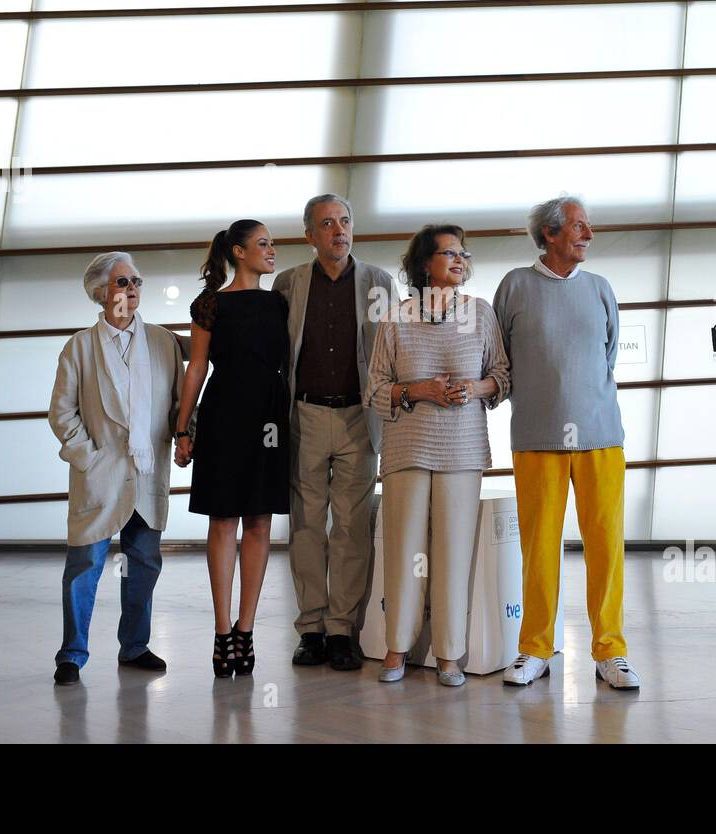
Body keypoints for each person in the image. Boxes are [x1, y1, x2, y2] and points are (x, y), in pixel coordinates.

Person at [493, 196, 640, 690]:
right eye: (579, 227)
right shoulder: (514, 286)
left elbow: (608, 358)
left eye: (587, 226)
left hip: (601, 438)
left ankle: (611, 652)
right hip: (536, 439)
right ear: (551, 234)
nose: (588, 235)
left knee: (606, 547)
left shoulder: (600, 289)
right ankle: (534, 649)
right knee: (539, 550)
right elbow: (501, 360)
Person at [366, 224, 510, 686]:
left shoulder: (482, 314)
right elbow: (375, 390)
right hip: (407, 447)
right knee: (405, 550)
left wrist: (474, 387)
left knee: (453, 551)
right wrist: (419, 390)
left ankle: (450, 654)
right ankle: (396, 649)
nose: (458, 260)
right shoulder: (395, 317)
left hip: (463, 448)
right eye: (448, 253)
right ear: (424, 263)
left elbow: (502, 378)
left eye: (462, 254)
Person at [47, 251, 184, 686]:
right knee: (84, 565)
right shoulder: (79, 347)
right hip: (99, 474)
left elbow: (183, 402)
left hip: (148, 472)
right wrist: (88, 457)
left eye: (137, 281)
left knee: (144, 562)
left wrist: (186, 436)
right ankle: (72, 654)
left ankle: (135, 647)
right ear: (100, 293)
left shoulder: (164, 342)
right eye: (123, 282)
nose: (132, 289)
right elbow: (62, 413)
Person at [272, 194, 395, 671]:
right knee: (305, 524)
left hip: (359, 418)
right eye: (327, 223)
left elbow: (392, 350)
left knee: (351, 526)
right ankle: (311, 628)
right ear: (310, 235)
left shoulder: (379, 282)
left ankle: (342, 630)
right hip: (303, 415)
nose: (338, 230)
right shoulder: (288, 284)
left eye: (345, 221)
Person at [175, 220, 289, 678]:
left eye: (273, 244)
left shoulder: (280, 303)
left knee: (259, 519)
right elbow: (196, 367)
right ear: (239, 252)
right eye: (263, 244)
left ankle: (246, 629)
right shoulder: (211, 303)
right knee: (223, 520)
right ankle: (222, 631)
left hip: (269, 415)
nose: (272, 251)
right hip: (224, 413)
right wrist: (183, 428)